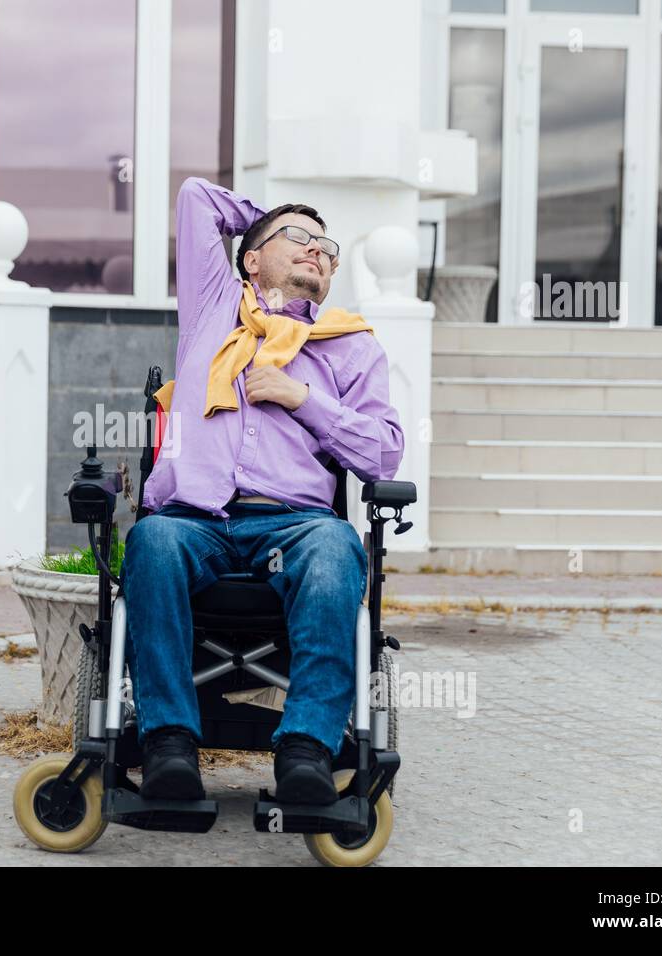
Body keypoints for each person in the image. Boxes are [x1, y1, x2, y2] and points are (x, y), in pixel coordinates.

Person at [121, 177, 405, 805]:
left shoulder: (350, 347)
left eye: (326, 247)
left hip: (297, 524)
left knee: (337, 552)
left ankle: (306, 748)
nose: (317, 251)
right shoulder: (212, 309)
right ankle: (169, 744)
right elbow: (197, 195)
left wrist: (302, 398)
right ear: (250, 259)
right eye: (298, 239)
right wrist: (267, 218)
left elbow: (383, 452)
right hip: (193, 520)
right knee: (151, 541)